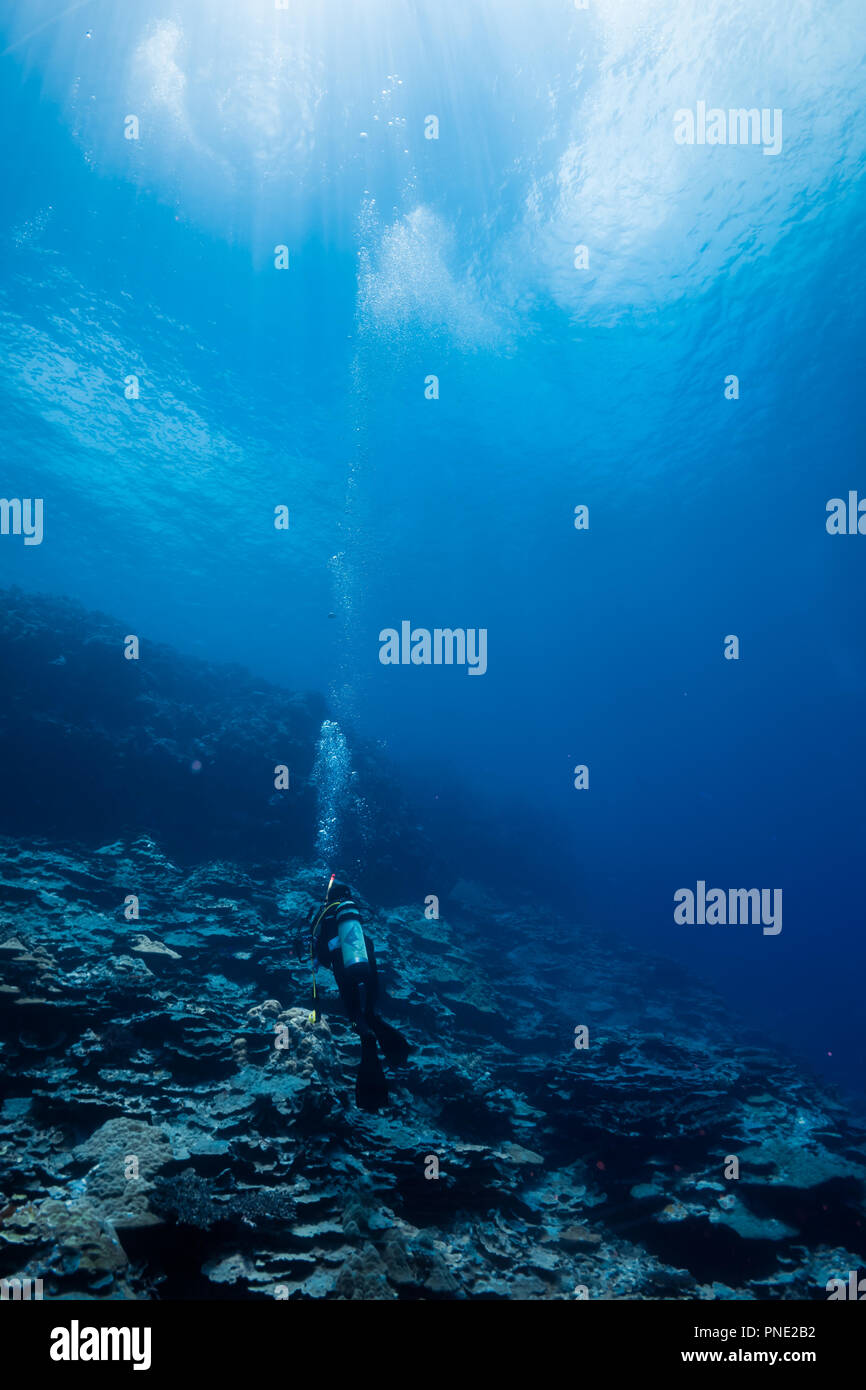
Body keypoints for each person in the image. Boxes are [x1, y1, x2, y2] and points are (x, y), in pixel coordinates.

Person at [308, 873, 410, 1110]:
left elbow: (319, 954)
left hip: (343, 967)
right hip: (368, 961)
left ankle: (367, 1038)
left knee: (356, 1017)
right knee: (371, 1012)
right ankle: (392, 1047)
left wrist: (325, 955)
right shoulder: (351, 911)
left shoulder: (325, 912)